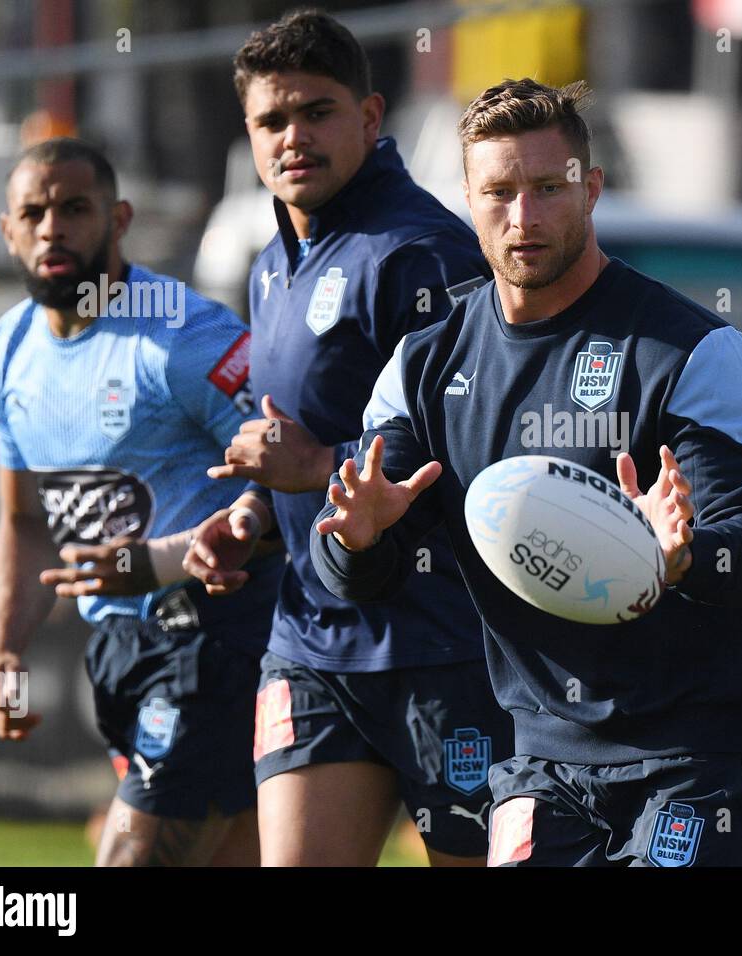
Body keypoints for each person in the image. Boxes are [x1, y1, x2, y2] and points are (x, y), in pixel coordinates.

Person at [310, 77, 742, 867]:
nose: (524, 217)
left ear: (592, 188)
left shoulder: (693, 353)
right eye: (499, 193)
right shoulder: (425, 368)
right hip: (543, 762)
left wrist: (687, 557)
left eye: (549, 188)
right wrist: (358, 539)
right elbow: (362, 572)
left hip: (705, 760)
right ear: (467, 200)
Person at [182, 9, 510, 867]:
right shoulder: (270, 260)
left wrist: (315, 469)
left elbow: (488, 458)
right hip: (312, 643)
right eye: (271, 120)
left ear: (369, 117)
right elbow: (298, 441)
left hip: (445, 647)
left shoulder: (425, 255)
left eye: (317, 112)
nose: (294, 137)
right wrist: (253, 512)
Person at [0, 137, 284, 866]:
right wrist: (1, 650)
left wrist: (184, 553)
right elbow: (25, 521)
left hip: (216, 639)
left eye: (74, 208)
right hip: (119, 649)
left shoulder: (183, 337)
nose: (52, 228)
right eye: (33, 212)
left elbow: (287, 471)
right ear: (9, 230)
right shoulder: (9, 352)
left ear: (118, 219)